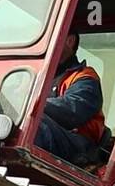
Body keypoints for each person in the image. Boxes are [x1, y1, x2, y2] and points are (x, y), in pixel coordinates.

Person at [35, 31, 107, 167]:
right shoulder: (39, 76)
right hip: (57, 137)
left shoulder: (86, 77)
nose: (44, 42)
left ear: (69, 41)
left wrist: (33, 104)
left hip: (79, 146)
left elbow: (72, 110)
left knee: (35, 122)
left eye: (50, 35)